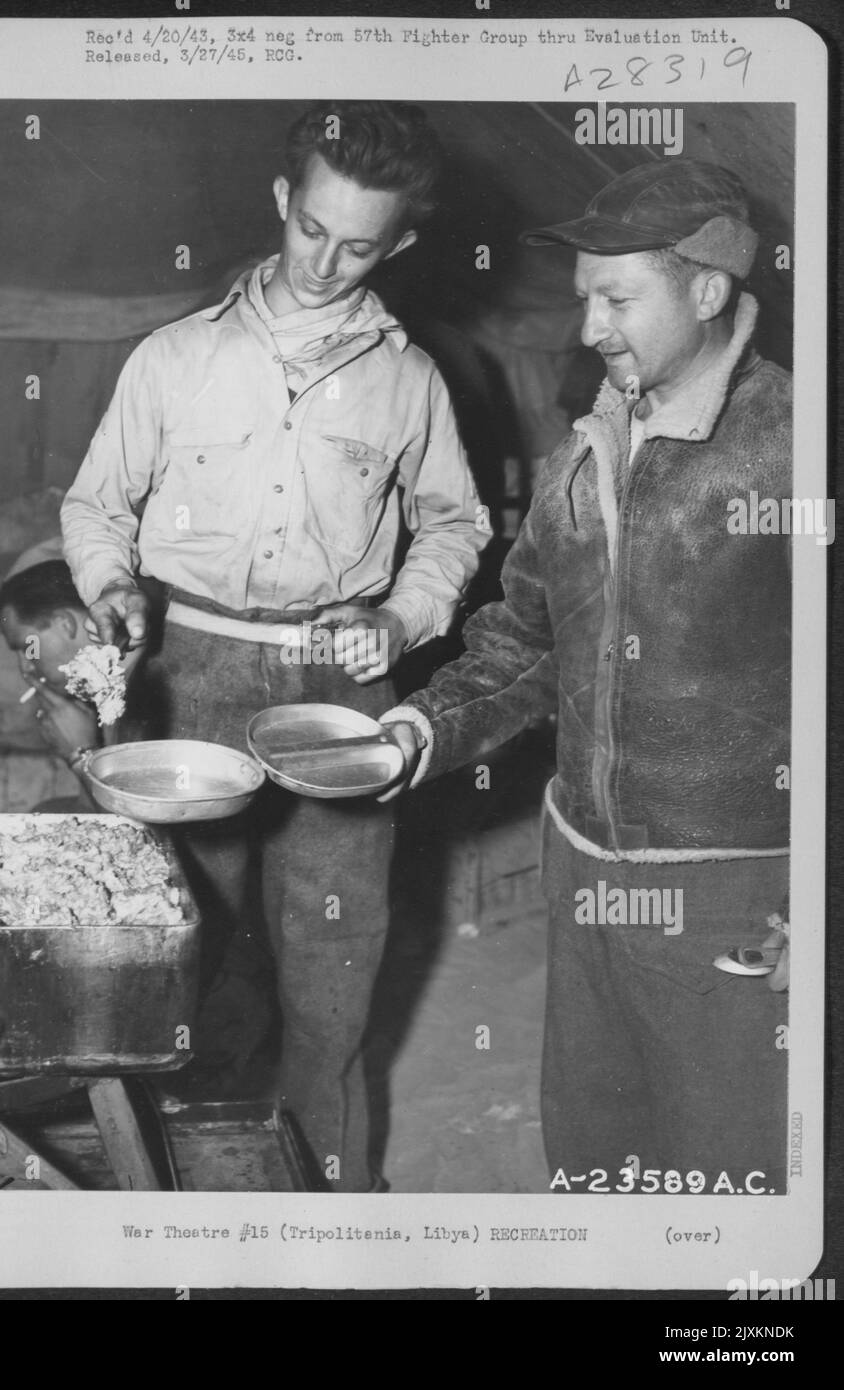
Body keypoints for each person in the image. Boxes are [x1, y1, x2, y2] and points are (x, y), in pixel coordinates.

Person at [60, 101, 489, 1191]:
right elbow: (97, 506)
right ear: (282, 203)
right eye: (312, 228)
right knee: (170, 944)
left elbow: (457, 525)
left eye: (359, 245)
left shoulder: (411, 382)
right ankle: (159, 1187)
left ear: (397, 244)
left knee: (334, 959)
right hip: (187, 667)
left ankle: (327, 1198)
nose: (327, 262)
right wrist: (113, 591)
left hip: (338, 685)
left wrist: (399, 619)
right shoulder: (174, 358)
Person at [382, 159, 792, 1192]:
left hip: (736, 883)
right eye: (582, 302)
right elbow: (525, 642)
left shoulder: (794, 452)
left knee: (728, 1171)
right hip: (586, 863)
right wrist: (421, 730)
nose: (589, 330)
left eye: (618, 299)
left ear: (706, 289)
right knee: (597, 1155)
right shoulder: (583, 453)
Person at [0, 559, 151, 791]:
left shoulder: (143, 694)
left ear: (64, 623)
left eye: (28, 648)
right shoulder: (116, 684)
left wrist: (81, 754)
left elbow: (139, 824)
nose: (25, 667)